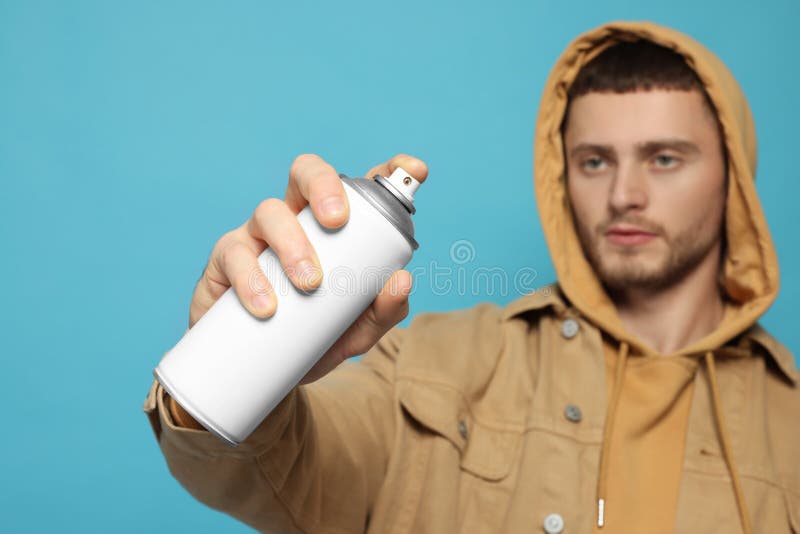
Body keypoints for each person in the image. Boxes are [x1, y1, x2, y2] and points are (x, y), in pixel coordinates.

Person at [142, 20, 799, 534]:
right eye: (594, 161)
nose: (625, 193)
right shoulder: (433, 364)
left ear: (733, 182)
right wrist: (235, 355)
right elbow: (287, 469)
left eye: (663, 158)